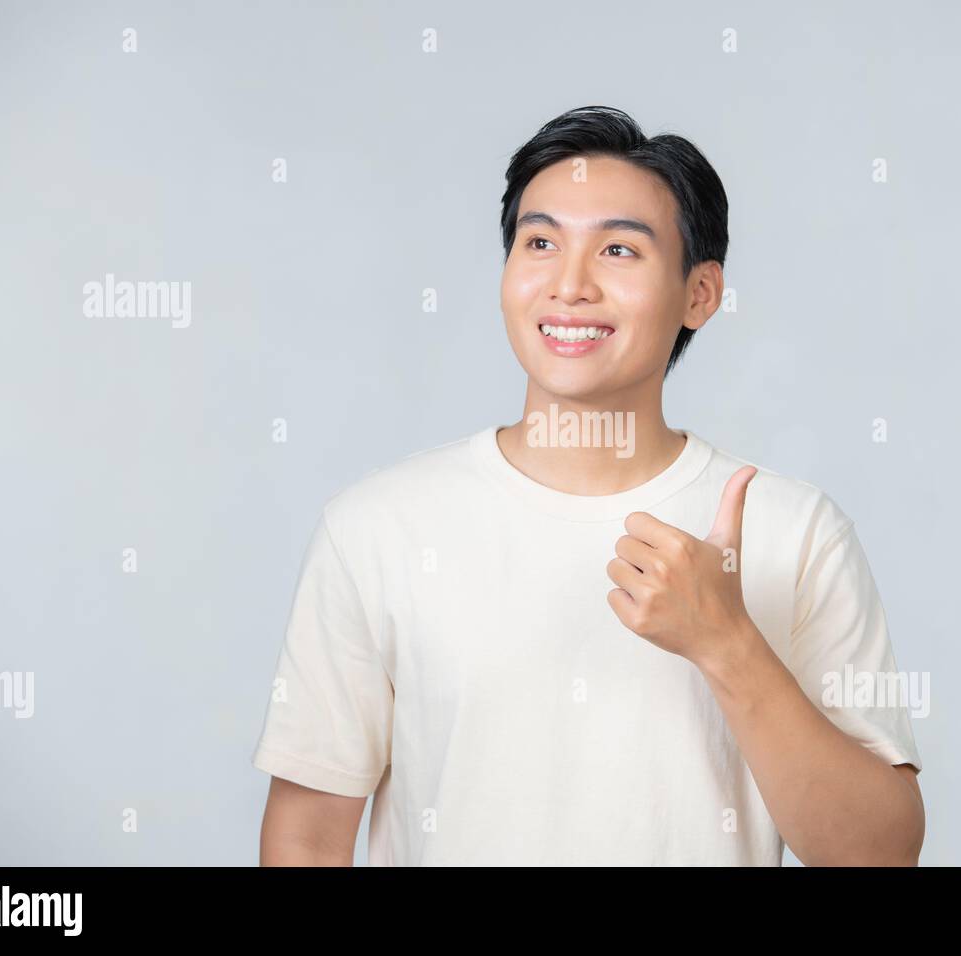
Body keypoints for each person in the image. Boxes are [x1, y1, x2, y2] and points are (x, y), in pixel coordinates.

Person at [253, 105, 925, 866]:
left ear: (700, 295)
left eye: (618, 250)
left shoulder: (796, 533)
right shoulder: (375, 529)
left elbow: (880, 854)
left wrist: (729, 645)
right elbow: (307, 838)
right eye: (539, 243)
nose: (568, 286)